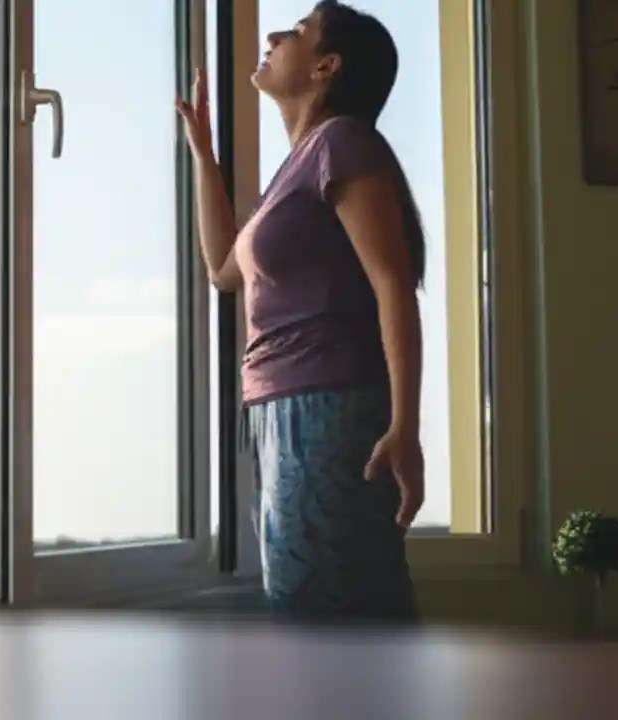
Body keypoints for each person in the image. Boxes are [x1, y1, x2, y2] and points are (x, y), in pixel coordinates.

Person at [176, 0, 425, 622]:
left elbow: (393, 284)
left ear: (326, 66)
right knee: (309, 609)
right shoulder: (299, 166)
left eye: (301, 30)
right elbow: (224, 271)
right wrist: (204, 158)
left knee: (329, 617)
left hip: (329, 407)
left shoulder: (342, 143)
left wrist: (406, 428)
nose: (274, 33)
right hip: (280, 410)